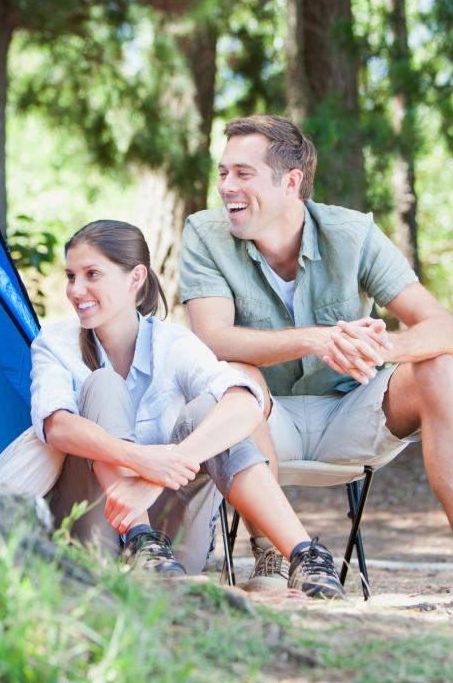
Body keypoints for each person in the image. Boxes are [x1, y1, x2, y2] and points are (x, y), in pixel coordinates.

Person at [179, 114, 453, 612]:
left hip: (349, 413)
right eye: (223, 173)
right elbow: (213, 339)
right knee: (237, 375)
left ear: (291, 182)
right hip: (263, 416)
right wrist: (315, 339)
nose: (226, 187)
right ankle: (275, 554)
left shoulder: (352, 234)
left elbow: (447, 331)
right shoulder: (204, 233)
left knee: (436, 364)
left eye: (243, 173)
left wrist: (379, 348)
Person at [29, 219, 345, 598]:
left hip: (173, 545)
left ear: (136, 278)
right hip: (92, 525)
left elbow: (247, 404)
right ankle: (139, 540)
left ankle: (304, 555)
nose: (76, 290)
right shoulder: (56, 342)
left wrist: (165, 468)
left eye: (91, 274)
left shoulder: (173, 342)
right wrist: (141, 460)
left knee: (211, 410)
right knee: (104, 384)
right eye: (71, 276)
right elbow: (56, 426)